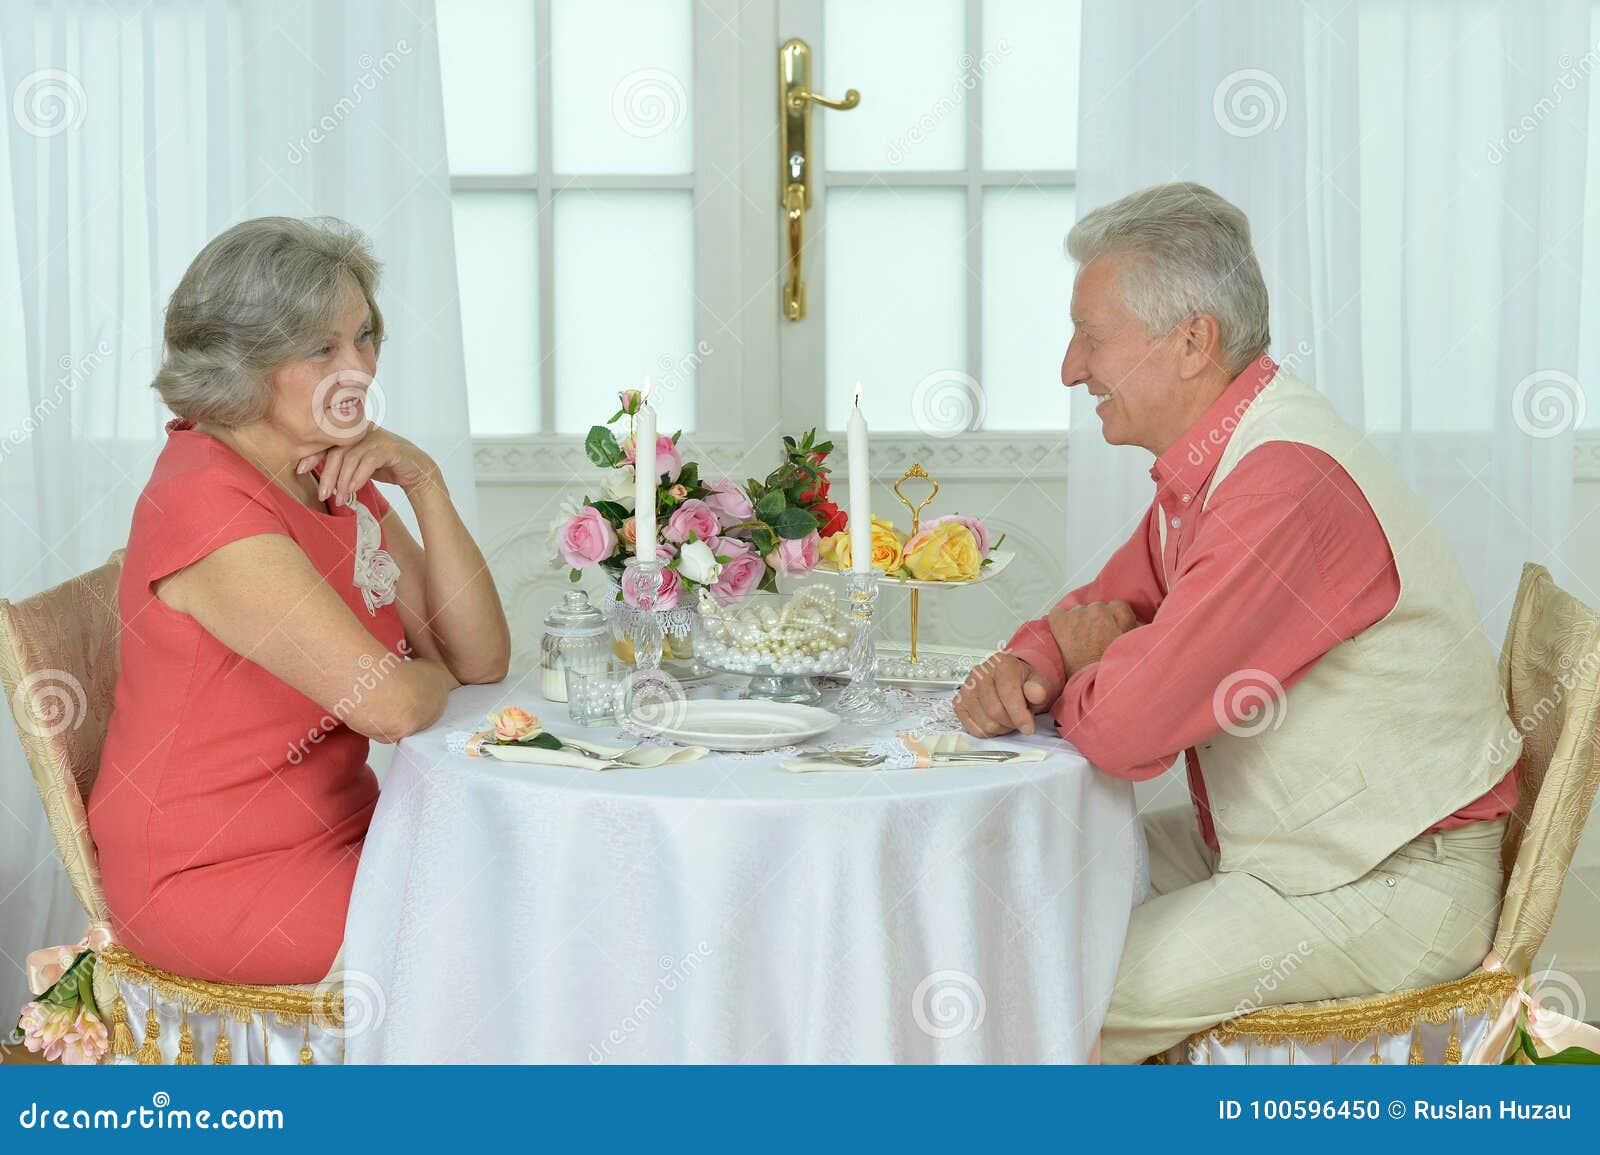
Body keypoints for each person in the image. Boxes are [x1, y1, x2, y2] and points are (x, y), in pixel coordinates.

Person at [953, 182, 1521, 1063]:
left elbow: (1128, 729)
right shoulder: (1221, 460)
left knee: (1046, 996)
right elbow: (1106, 602)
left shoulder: (1283, 484)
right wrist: (1043, 651)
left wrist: (1086, 660)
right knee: (1010, 885)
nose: (1071, 368)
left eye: (1091, 336)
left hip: (1382, 880)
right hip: (1284, 845)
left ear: (1191, 341)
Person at [88, 216, 510, 985]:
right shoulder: (205, 503)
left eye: (364, 337)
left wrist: (426, 484)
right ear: (241, 365)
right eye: (321, 349)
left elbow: (481, 658)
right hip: (213, 872)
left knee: (538, 877)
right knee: (508, 927)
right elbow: (387, 706)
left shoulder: (328, 472)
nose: (357, 369)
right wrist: (427, 680)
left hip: (349, 828)